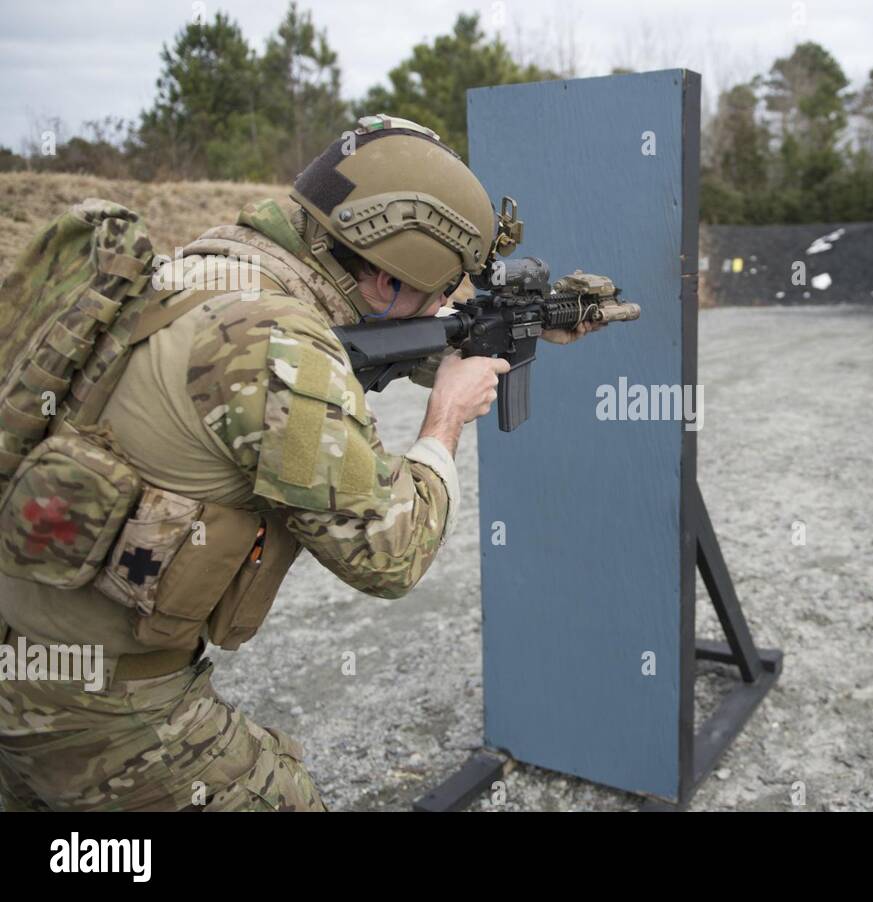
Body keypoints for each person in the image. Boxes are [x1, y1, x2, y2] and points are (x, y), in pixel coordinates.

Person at [0, 114, 598, 811]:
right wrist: (446, 418)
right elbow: (391, 554)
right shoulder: (280, 343)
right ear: (383, 276)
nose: (447, 305)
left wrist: (510, 328)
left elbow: (350, 351)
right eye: (443, 289)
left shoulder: (210, 268)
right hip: (101, 714)